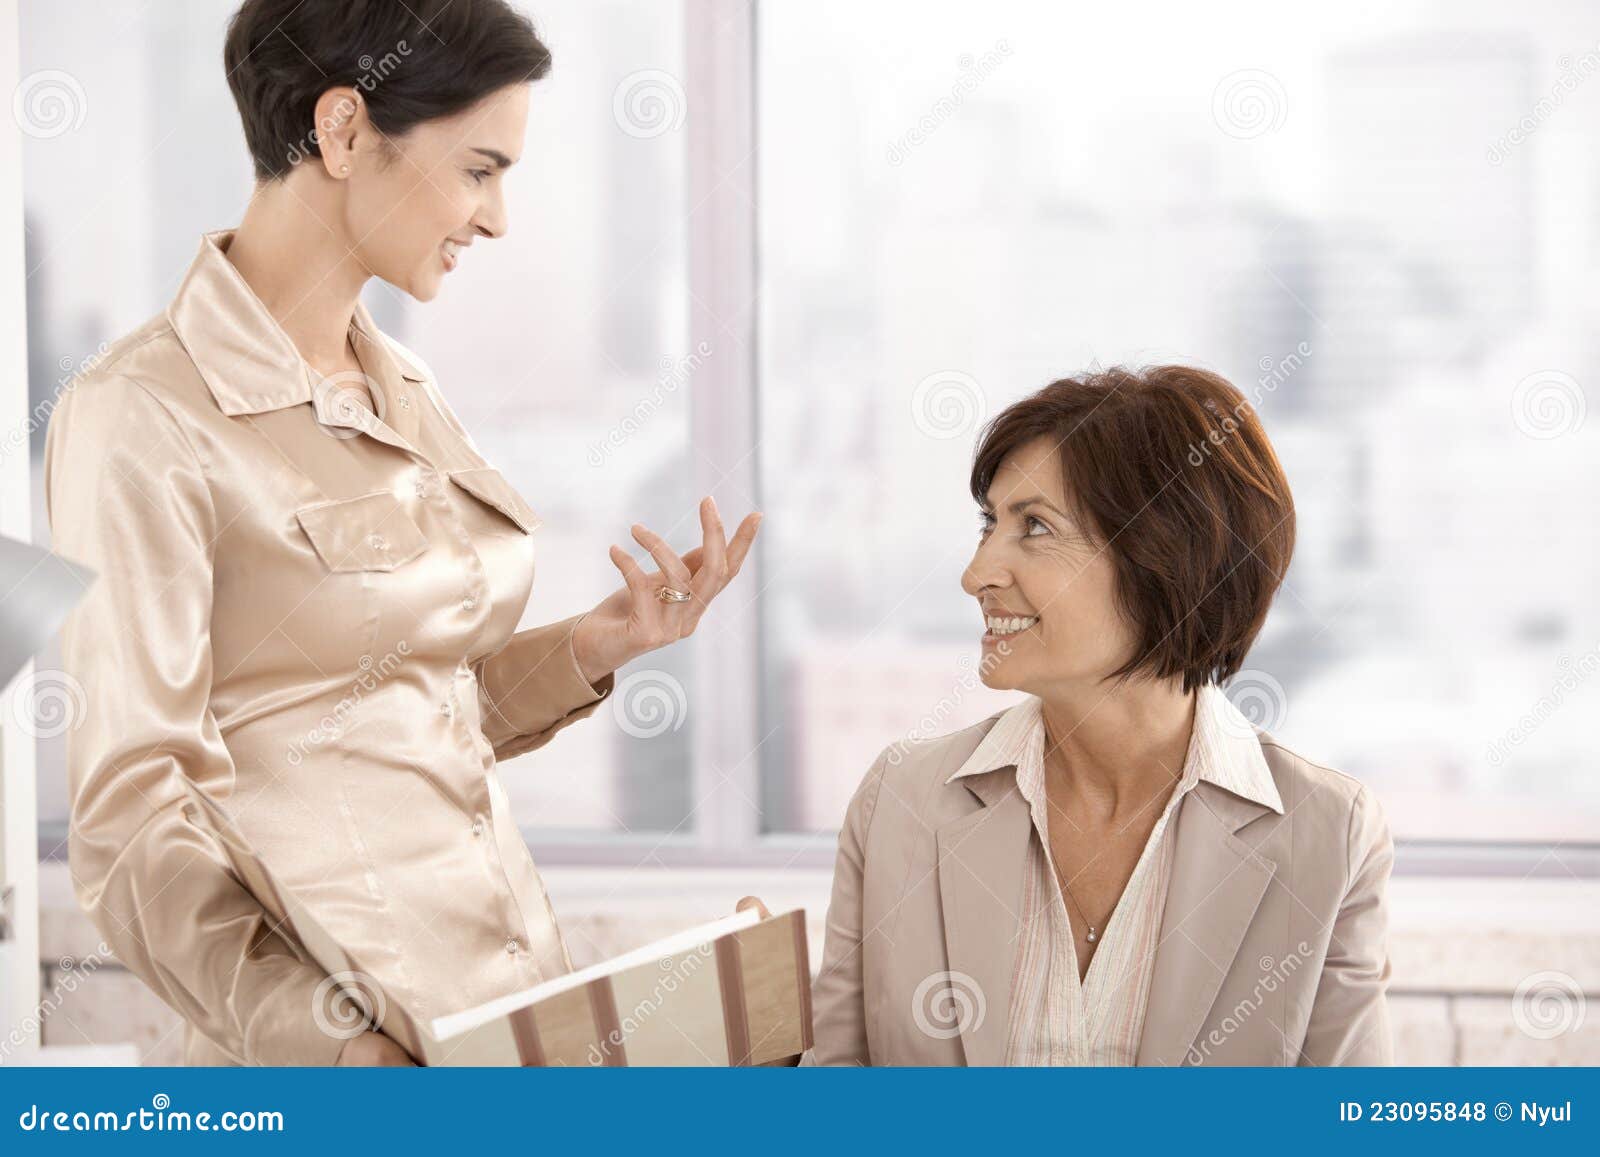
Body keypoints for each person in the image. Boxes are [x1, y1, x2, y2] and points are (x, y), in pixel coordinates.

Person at [44, 0, 759, 1066]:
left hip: (502, 1022)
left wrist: (593, 646)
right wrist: (341, 1052)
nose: (497, 216)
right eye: (479, 168)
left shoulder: (400, 386)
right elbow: (134, 825)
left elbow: (413, 705)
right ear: (342, 132)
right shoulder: (140, 414)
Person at [808, 365, 1393, 1066]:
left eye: (1034, 527)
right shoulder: (900, 800)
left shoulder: (1327, 834)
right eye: (991, 522)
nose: (977, 573)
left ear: (1165, 558)